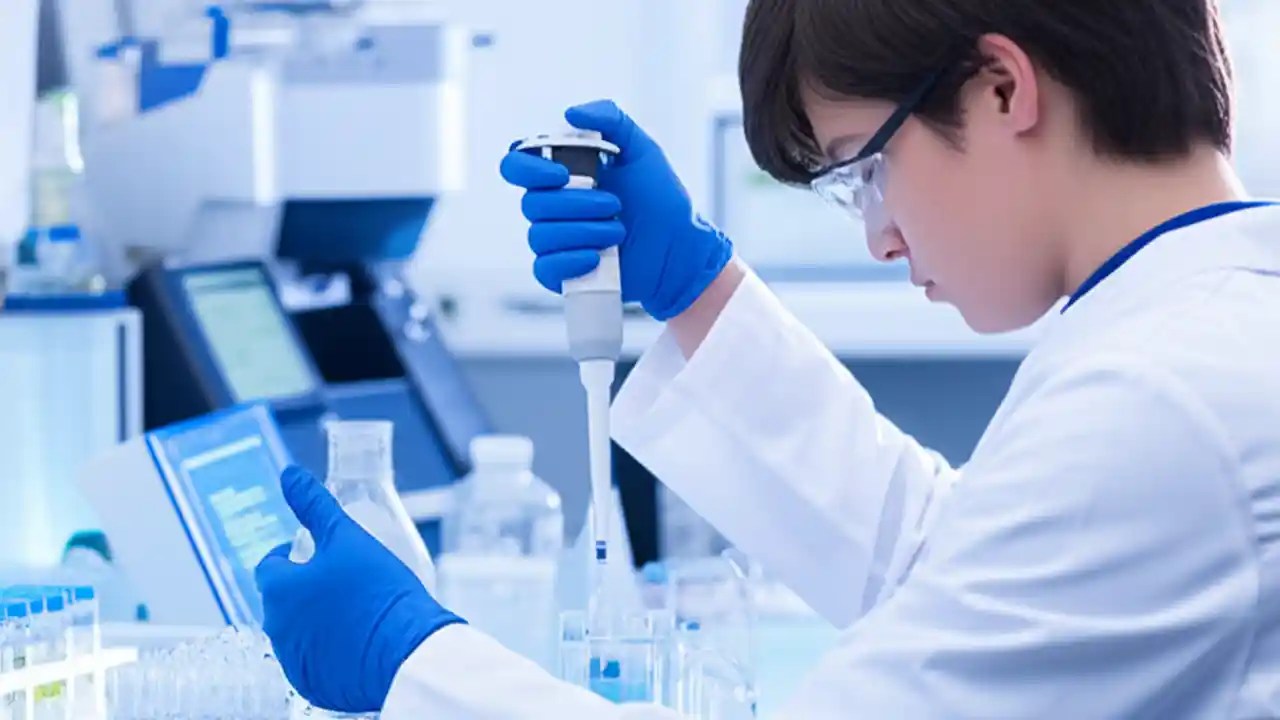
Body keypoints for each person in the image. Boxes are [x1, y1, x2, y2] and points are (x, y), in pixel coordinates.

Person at [255, 0, 1280, 716]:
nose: (878, 237)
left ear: (1001, 86)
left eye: (863, 172)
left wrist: (413, 662)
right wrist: (695, 288)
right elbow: (953, 574)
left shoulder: (1159, 403)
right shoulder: (1184, 337)